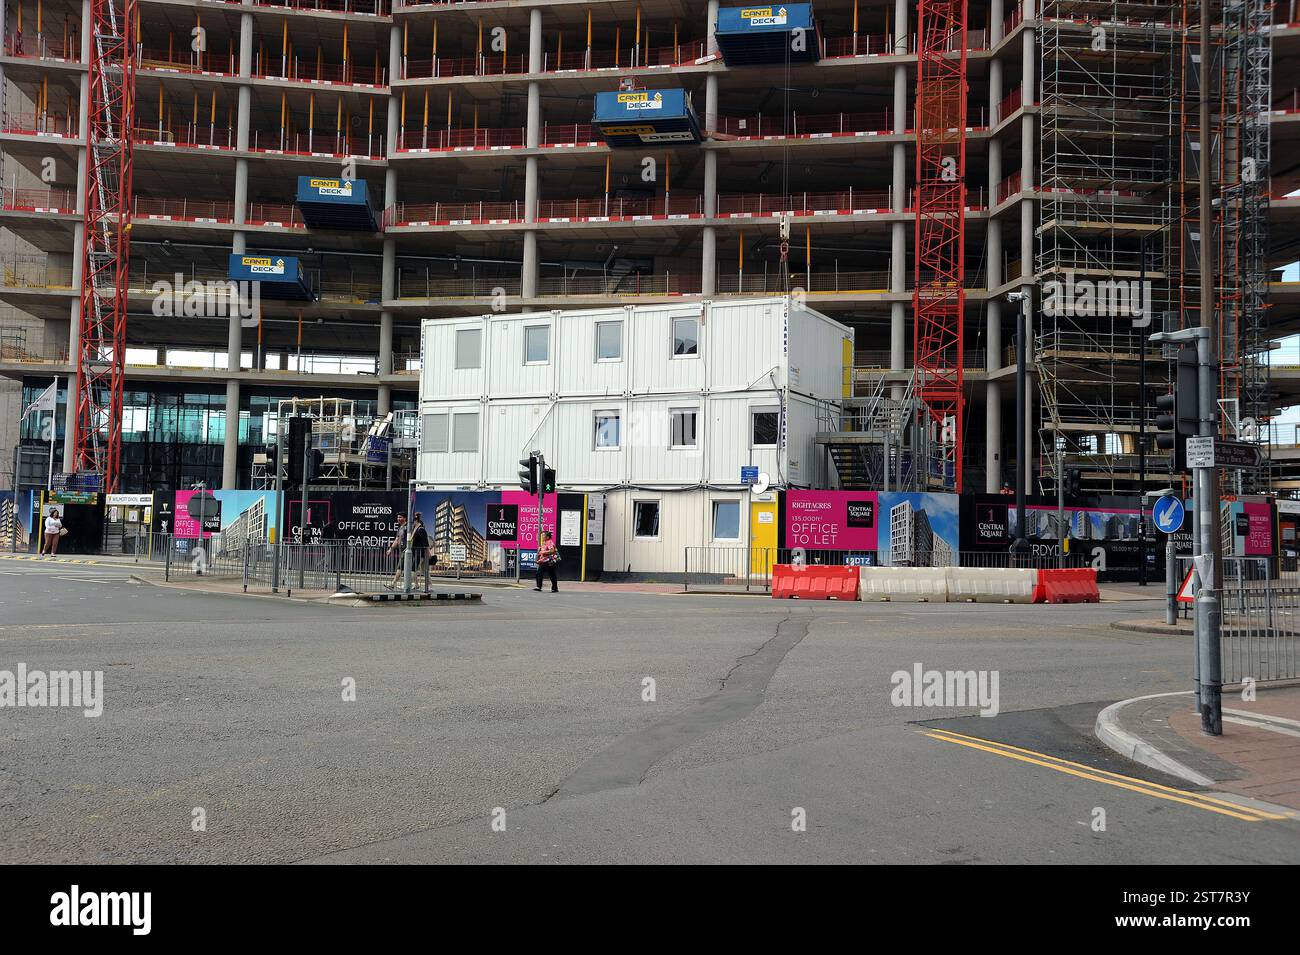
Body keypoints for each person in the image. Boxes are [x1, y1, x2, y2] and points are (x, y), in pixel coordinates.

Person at [387, 514, 408, 589]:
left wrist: (408, 548)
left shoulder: (407, 527)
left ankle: (393, 584)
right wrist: (390, 549)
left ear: (405, 518)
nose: (398, 518)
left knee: (400, 567)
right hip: (402, 550)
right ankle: (415, 584)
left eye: (400, 517)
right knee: (408, 569)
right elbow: (397, 540)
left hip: (407, 551)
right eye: (398, 517)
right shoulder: (400, 528)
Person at [410, 513, 430, 591]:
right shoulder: (416, 529)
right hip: (418, 552)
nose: (411, 524)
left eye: (412, 522)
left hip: (420, 552)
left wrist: (428, 553)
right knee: (424, 571)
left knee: (413, 569)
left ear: (416, 521)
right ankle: (429, 586)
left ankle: (417, 584)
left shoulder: (421, 529)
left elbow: (426, 542)